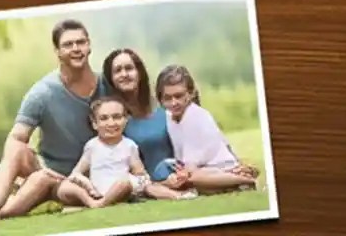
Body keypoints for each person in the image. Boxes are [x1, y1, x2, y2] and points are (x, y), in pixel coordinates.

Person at [0, 19, 111, 223]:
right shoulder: (42, 93)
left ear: (89, 46)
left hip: (95, 176)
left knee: (36, 187)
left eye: (81, 42)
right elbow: (16, 138)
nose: (76, 48)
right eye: (68, 44)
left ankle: (9, 197)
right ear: (57, 51)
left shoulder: (108, 85)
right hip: (51, 173)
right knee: (18, 148)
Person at [103, 48, 195, 200]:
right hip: (147, 184)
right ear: (111, 78)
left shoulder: (165, 105)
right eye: (118, 70)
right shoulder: (113, 120)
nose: (124, 74)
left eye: (129, 68)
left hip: (181, 174)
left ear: (139, 72)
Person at [157, 64, 260, 193]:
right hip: (204, 169)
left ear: (190, 94)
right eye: (167, 98)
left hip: (219, 167)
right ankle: (229, 184)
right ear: (160, 99)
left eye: (178, 96)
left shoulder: (193, 116)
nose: (173, 103)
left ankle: (245, 181)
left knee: (194, 178)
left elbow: (190, 168)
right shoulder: (171, 116)